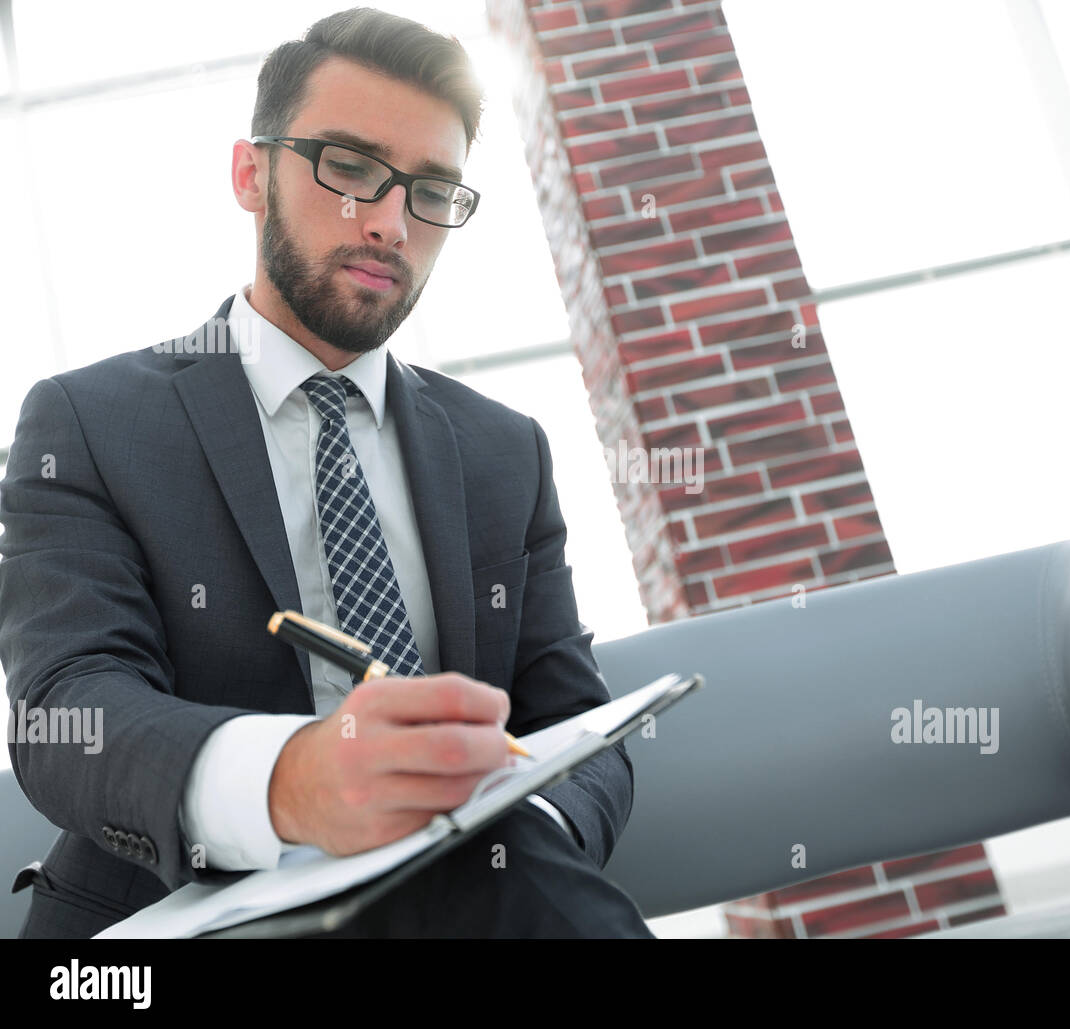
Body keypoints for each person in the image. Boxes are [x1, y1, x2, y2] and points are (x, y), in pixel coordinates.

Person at [0, 7, 653, 939]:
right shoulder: (88, 421)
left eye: (432, 190)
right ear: (249, 173)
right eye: (349, 168)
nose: (389, 223)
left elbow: (576, 725)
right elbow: (67, 709)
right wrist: (290, 779)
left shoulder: (505, 451)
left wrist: (513, 837)